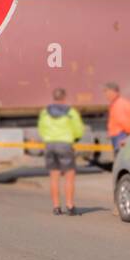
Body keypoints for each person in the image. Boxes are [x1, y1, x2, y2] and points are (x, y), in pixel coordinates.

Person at [37, 87, 84, 216]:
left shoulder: (45, 112)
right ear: (64, 98)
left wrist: (48, 138)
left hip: (50, 145)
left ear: (53, 97)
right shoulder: (71, 112)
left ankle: (56, 207)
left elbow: (41, 129)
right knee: (69, 176)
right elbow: (78, 129)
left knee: (54, 177)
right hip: (65, 145)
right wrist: (75, 138)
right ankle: (69, 205)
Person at [103, 82, 130, 151]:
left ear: (112, 92)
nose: (105, 94)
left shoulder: (119, 105)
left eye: (106, 91)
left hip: (122, 136)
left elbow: (125, 122)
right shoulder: (117, 103)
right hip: (120, 135)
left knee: (122, 159)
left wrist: (128, 137)